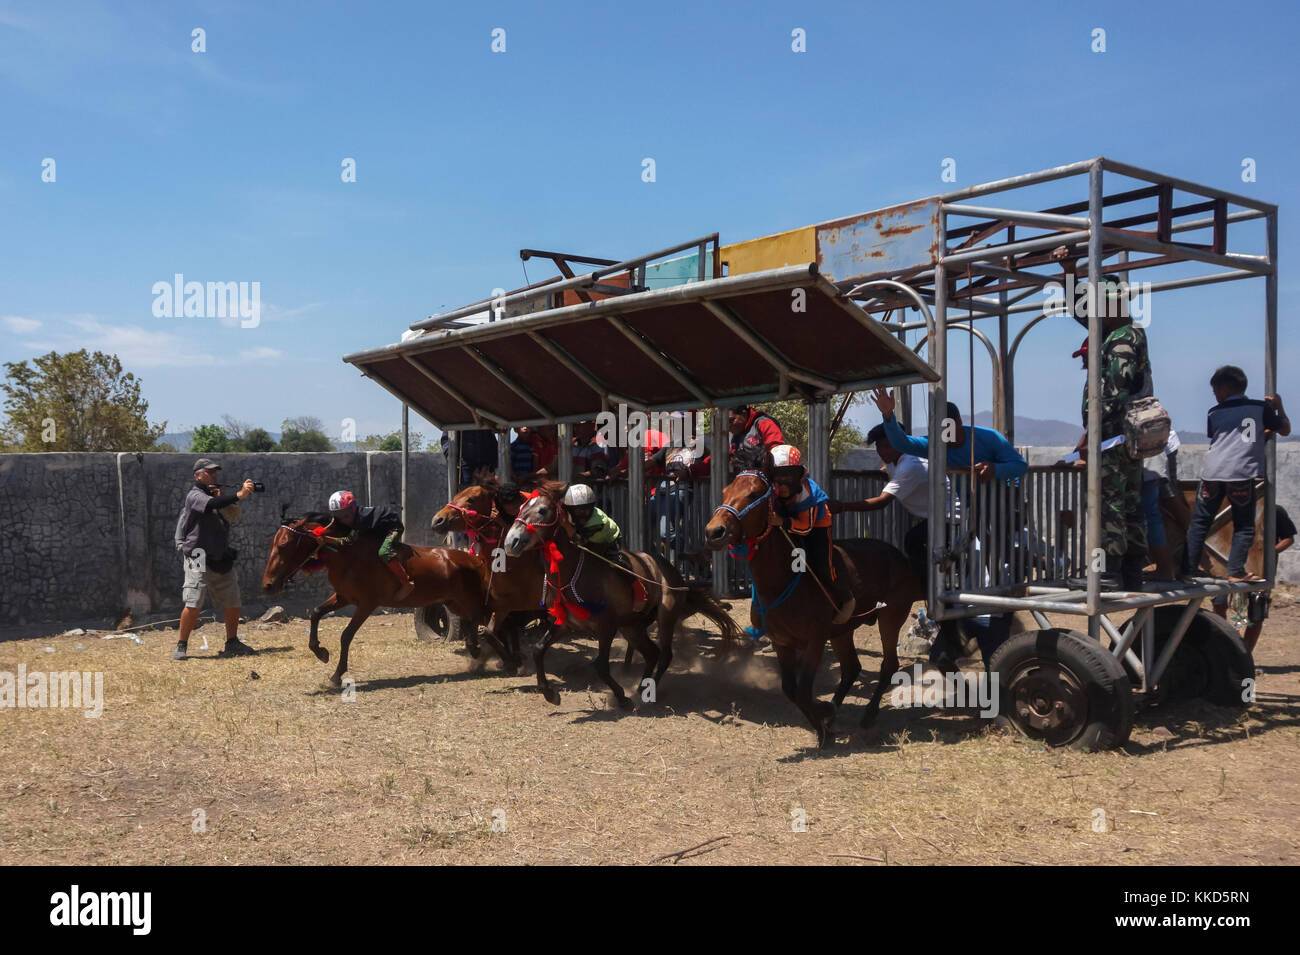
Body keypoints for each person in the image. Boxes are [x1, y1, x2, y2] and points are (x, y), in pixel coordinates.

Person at [1069, 274, 1154, 590]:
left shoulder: (1120, 339)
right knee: (1130, 501)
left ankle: (1107, 573)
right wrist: (1069, 269)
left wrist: (1093, 436)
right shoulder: (1122, 331)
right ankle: (1131, 573)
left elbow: (1114, 393)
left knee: (1108, 504)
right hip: (1127, 437)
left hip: (1112, 436)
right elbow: (1080, 311)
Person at [1183, 366, 1291, 581]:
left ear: (1223, 390)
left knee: (1200, 523)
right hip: (1241, 474)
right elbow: (1285, 429)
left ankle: (1187, 569)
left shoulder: (1214, 412)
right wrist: (1279, 407)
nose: (1214, 395)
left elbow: (1225, 436)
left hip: (1212, 473)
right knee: (1243, 525)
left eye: (1215, 391)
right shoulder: (1260, 407)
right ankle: (1235, 572)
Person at [173, 458, 258, 660]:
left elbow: (232, 516)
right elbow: (211, 503)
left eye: (215, 473)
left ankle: (232, 642)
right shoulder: (195, 496)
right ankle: (181, 645)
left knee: (232, 600)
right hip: (198, 556)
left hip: (220, 556)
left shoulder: (215, 497)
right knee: (194, 601)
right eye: (209, 472)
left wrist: (226, 500)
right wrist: (239, 494)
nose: (214, 476)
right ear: (198, 475)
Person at [767, 444, 855, 625]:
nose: (782, 484)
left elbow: (805, 528)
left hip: (817, 526)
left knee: (822, 561)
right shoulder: (770, 489)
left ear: (799, 475)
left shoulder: (807, 495)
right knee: (786, 563)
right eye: (778, 476)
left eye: (788, 476)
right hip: (787, 518)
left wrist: (782, 522)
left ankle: (847, 599)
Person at [1212, 506, 1296, 652]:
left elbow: (1288, 538)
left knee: (1257, 610)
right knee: (1219, 603)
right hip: (1228, 565)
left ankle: (1245, 655)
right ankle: (1223, 650)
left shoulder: (1274, 510)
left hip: (1260, 568)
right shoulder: (1226, 510)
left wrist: (1269, 553)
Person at [327, 490, 414, 599]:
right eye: (338, 516)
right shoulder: (352, 518)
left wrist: (326, 539)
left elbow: (348, 540)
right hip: (378, 528)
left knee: (384, 552)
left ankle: (406, 583)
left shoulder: (360, 520)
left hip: (393, 527)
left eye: (345, 515)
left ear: (353, 509)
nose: (342, 520)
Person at [561, 483, 628, 568]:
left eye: (586, 510)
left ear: (592, 507)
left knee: (615, 565)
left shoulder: (596, 523)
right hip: (592, 542)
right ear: (569, 510)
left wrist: (566, 526)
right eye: (578, 511)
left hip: (611, 540)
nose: (582, 515)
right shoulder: (568, 517)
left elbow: (579, 541)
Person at [727, 405, 784, 473]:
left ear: (744, 414)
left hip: (766, 475)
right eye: (725, 423)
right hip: (741, 476)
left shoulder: (764, 423)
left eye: (731, 420)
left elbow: (777, 451)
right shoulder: (731, 436)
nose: (728, 426)